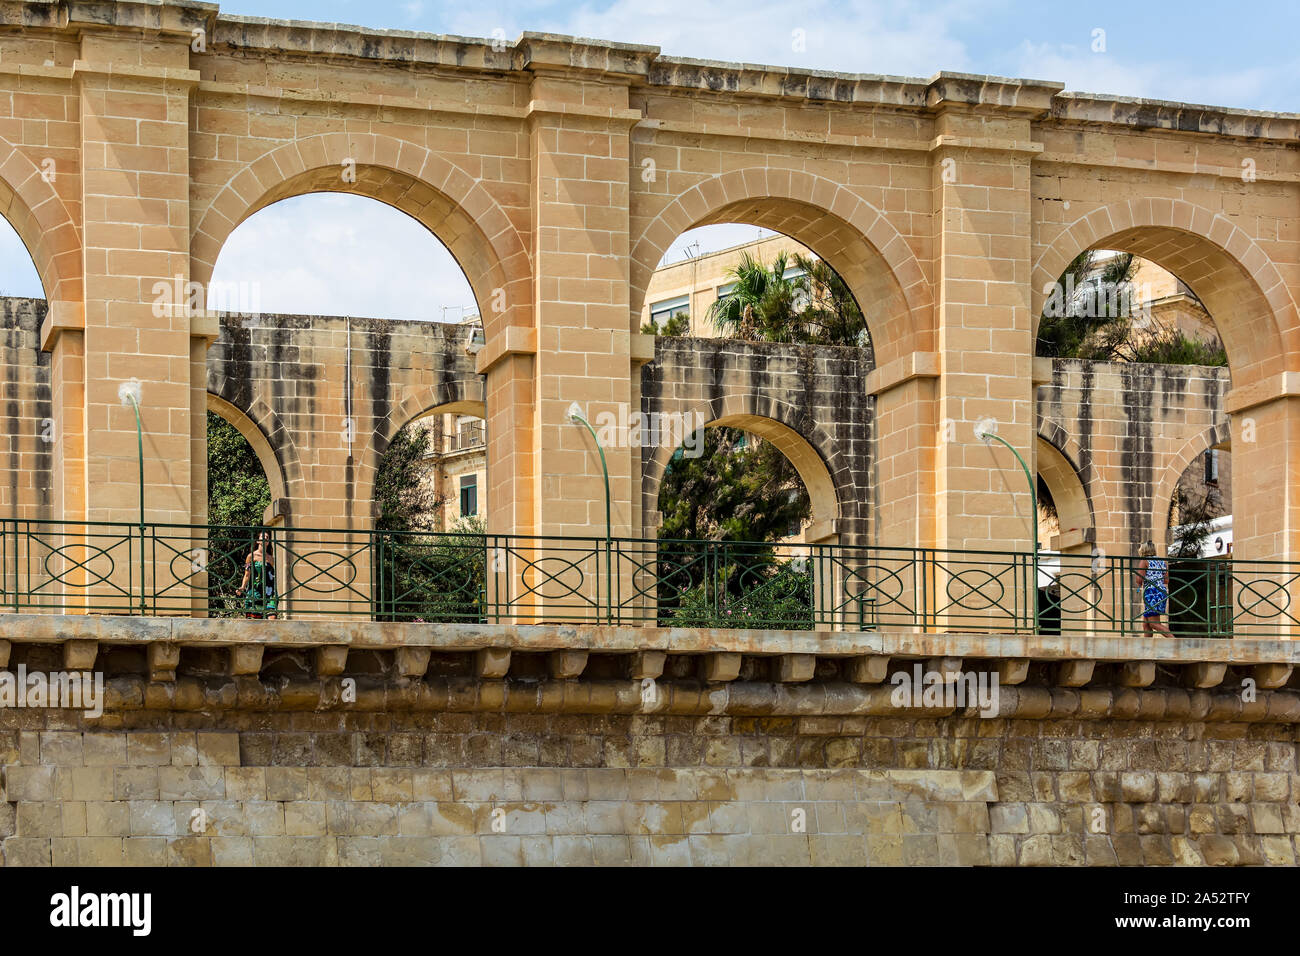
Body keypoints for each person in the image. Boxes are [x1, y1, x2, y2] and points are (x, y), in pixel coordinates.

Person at [1134, 540, 1172, 637]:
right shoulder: (1162, 561)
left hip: (1151, 593)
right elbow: (1166, 580)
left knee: (1154, 624)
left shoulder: (1144, 561)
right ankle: (1146, 650)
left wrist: (1139, 581)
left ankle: (1176, 642)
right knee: (1146, 624)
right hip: (1161, 592)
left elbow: (1139, 580)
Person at [236, 530, 277, 619]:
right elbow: (247, 574)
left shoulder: (271, 558)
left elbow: (271, 575)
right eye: (263, 537)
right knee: (255, 620)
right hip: (255, 591)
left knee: (272, 617)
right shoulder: (251, 556)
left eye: (267, 538)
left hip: (269, 591)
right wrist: (242, 587)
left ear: (268, 542)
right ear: (258, 541)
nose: (265, 539)